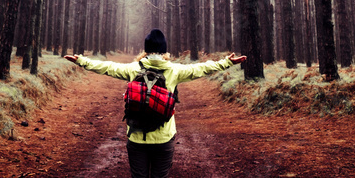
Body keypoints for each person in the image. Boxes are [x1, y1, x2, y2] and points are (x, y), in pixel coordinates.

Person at [64, 28, 247, 178]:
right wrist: (226, 62)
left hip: (136, 137)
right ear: (165, 50)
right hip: (164, 138)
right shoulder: (174, 71)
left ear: (146, 49)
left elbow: (107, 67)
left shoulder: (133, 68)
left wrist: (81, 61)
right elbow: (201, 68)